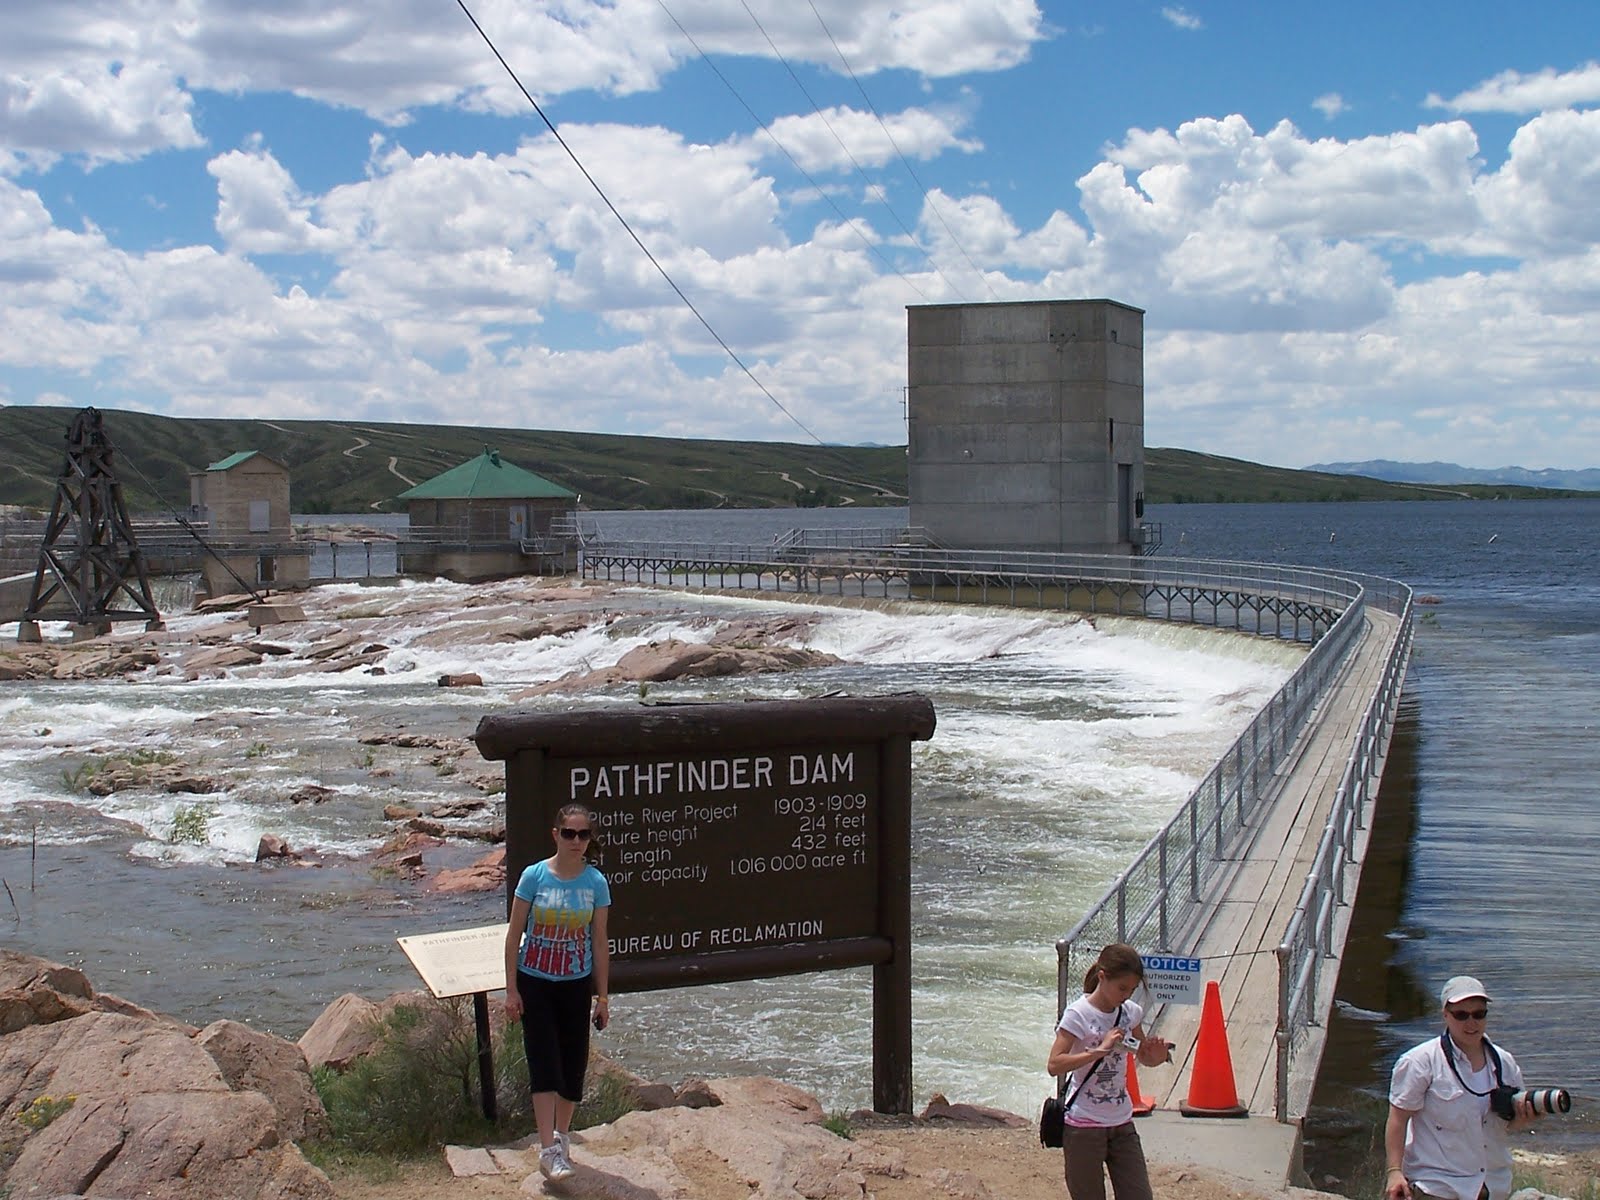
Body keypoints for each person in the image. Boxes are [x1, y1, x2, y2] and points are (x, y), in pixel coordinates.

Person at [504, 804, 612, 1183]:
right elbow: (514, 934)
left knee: (572, 1067)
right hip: (535, 981)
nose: (576, 842)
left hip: (575, 983)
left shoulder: (596, 883)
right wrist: (511, 990)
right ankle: (547, 1148)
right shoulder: (534, 876)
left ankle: (562, 1140)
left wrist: (603, 997)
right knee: (544, 1063)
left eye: (583, 835)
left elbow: (599, 942)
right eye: (569, 834)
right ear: (556, 834)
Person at [1384, 975, 1543, 1200]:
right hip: (1437, 1186)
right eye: (1462, 1015)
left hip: (1491, 1187)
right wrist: (1394, 1172)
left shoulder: (1504, 1062)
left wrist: (1523, 1118)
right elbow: (1398, 1119)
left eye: (1479, 1014)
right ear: (1445, 1015)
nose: (1471, 1023)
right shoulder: (1419, 1061)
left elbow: (1507, 1125)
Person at [1046, 943, 1173, 1200]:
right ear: (1102, 977)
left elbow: (1142, 1055)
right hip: (1083, 1126)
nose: (1126, 995)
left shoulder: (1130, 1013)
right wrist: (1098, 1050)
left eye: (1132, 989)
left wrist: (1157, 1057)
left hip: (1121, 1121)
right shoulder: (1078, 1014)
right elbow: (1054, 1064)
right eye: (1122, 988)